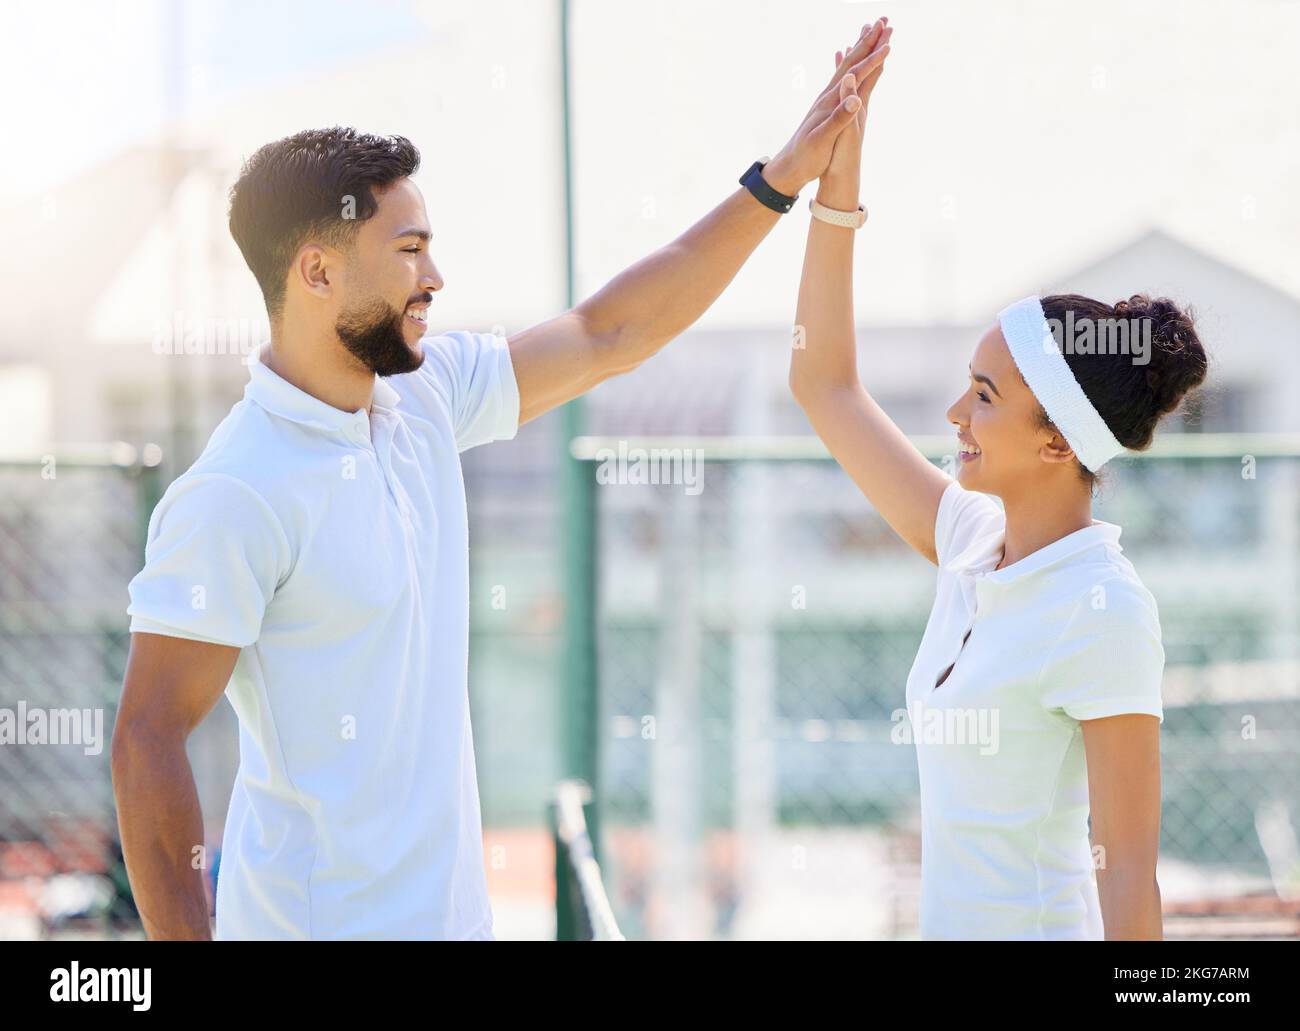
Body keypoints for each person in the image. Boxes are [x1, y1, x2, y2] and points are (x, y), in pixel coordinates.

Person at [109, 23, 894, 940]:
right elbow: (147, 737)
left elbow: (611, 332)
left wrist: (781, 180)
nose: (434, 276)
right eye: (409, 249)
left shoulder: (426, 394)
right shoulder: (237, 489)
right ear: (316, 270)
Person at [790, 23, 1207, 939]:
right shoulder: (971, 539)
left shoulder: (1105, 609)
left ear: (1057, 442)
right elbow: (822, 383)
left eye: (983, 395)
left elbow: (1129, 880)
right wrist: (835, 178)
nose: (955, 415)